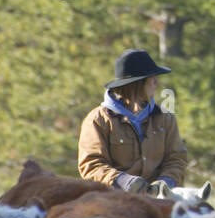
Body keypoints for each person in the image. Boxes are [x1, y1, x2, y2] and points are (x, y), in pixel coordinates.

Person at [78, 48, 188, 193]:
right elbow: (92, 165)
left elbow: (176, 159)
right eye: (152, 77)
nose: (156, 82)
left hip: (159, 202)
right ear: (136, 84)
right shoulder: (98, 120)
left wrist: (165, 183)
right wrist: (123, 181)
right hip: (114, 201)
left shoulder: (165, 118)